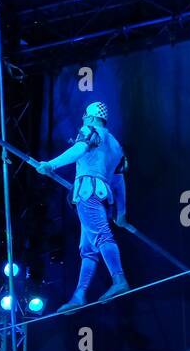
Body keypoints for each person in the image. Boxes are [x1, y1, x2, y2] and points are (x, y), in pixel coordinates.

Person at [36, 101, 129, 312]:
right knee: (88, 249)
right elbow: (118, 181)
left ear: (92, 117)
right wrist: (121, 212)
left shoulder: (90, 130)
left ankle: (119, 279)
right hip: (103, 195)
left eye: (85, 116)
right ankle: (79, 294)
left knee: (102, 237)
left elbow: (79, 149)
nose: (83, 120)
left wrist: (51, 164)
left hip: (88, 190)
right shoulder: (116, 145)